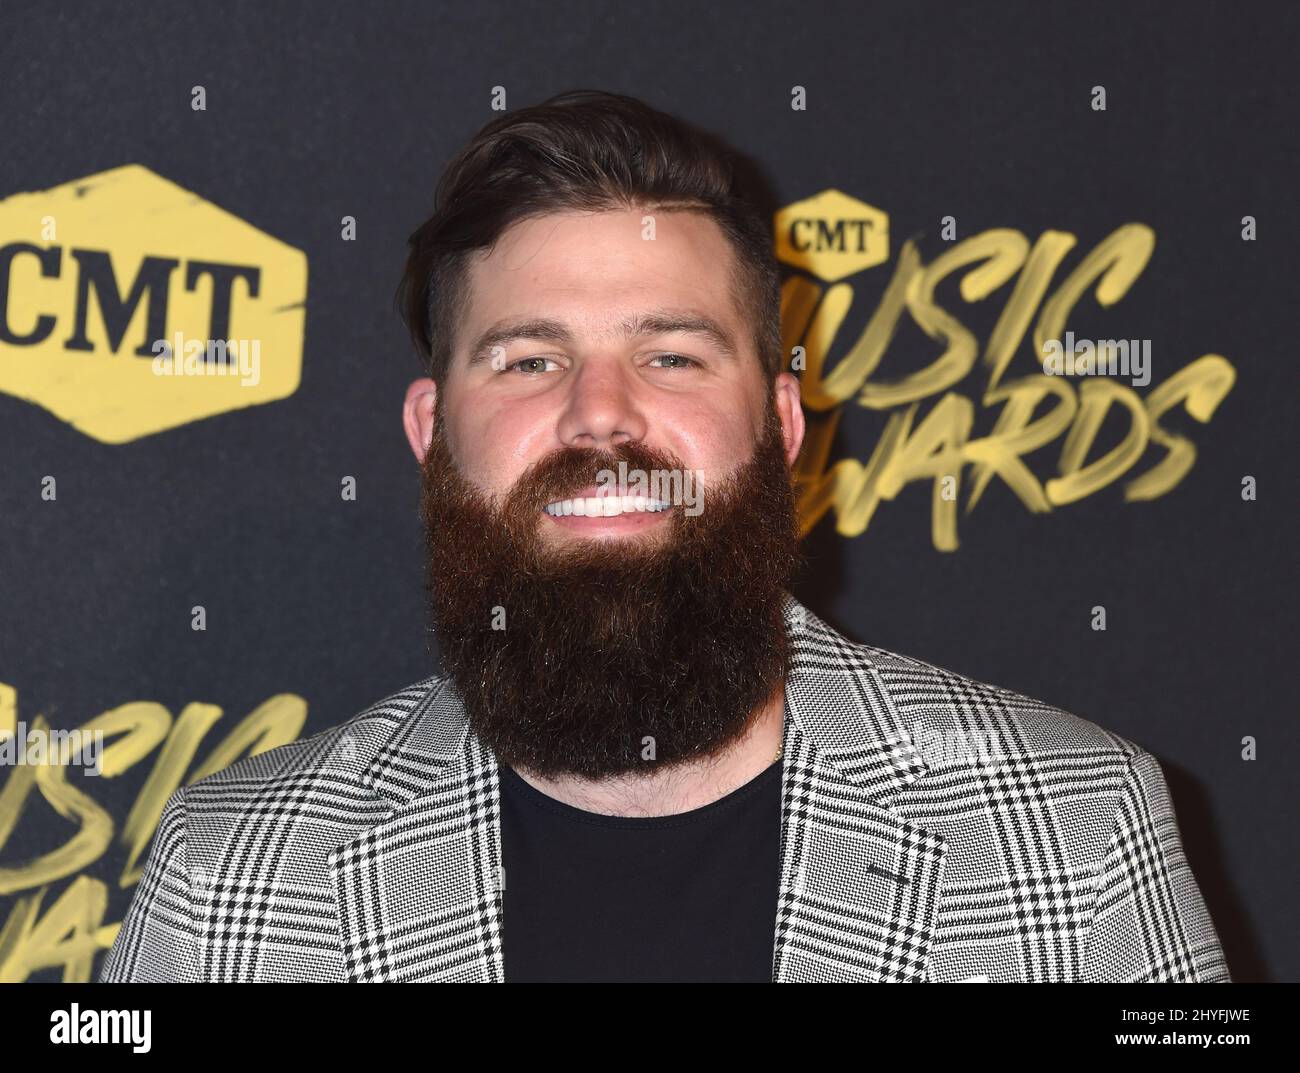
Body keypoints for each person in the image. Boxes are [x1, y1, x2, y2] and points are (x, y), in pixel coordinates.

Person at [99, 89, 1229, 983]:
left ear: (779, 422)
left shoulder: (1078, 828)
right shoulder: (233, 867)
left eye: (672, 354)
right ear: (432, 433)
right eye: (530, 359)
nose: (601, 413)